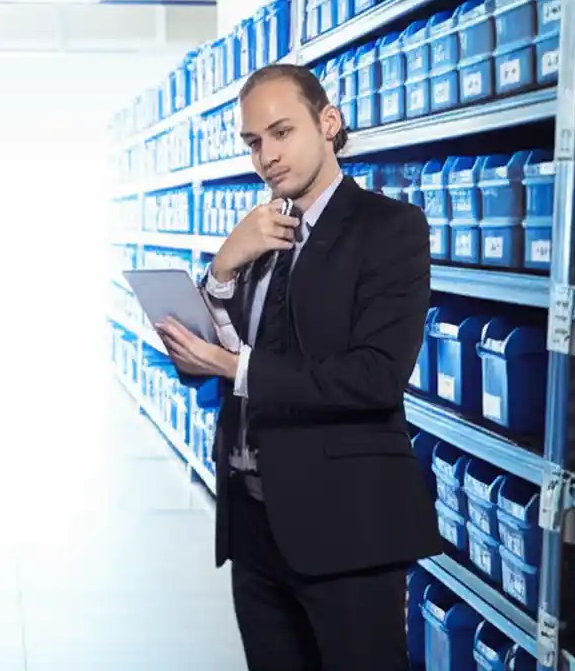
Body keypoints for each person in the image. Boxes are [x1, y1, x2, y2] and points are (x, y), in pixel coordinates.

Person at [153, 64, 440, 670]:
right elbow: (199, 368)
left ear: (328, 123)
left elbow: (374, 377)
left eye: (282, 132)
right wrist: (223, 267)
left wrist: (236, 368)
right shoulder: (260, 236)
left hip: (345, 529)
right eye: (254, 142)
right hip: (254, 525)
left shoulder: (389, 230)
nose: (267, 156)